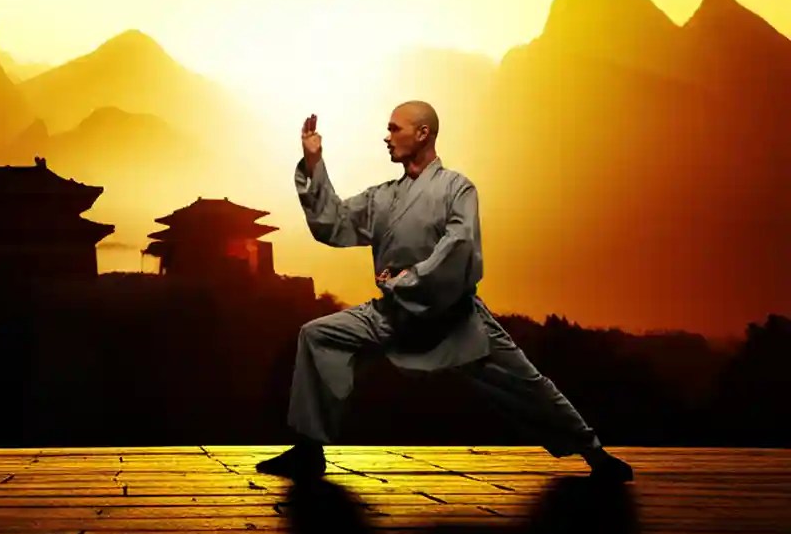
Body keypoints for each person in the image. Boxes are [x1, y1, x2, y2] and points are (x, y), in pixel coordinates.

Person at [255, 101, 633, 482]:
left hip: (455, 318)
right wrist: (314, 163)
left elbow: (459, 246)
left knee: (526, 383)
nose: (387, 138)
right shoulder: (383, 197)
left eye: (395, 129)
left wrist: (407, 279)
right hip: (393, 316)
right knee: (318, 335)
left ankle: (593, 451)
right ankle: (309, 448)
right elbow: (331, 222)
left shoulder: (457, 188)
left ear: (423, 133)